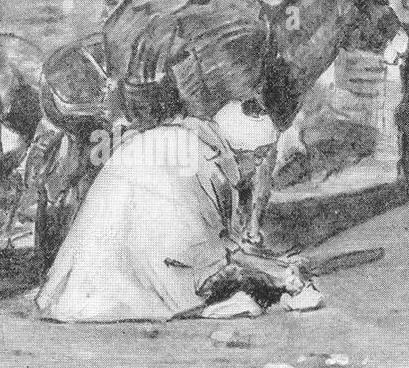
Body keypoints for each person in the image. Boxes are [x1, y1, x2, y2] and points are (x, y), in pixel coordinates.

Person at [35, 100, 316, 323]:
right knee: (234, 293)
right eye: (256, 158)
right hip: (128, 276)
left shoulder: (187, 142)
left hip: (95, 270)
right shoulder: (203, 162)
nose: (255, 168)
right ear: (242, 150)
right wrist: (278, 274)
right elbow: (205, 251)